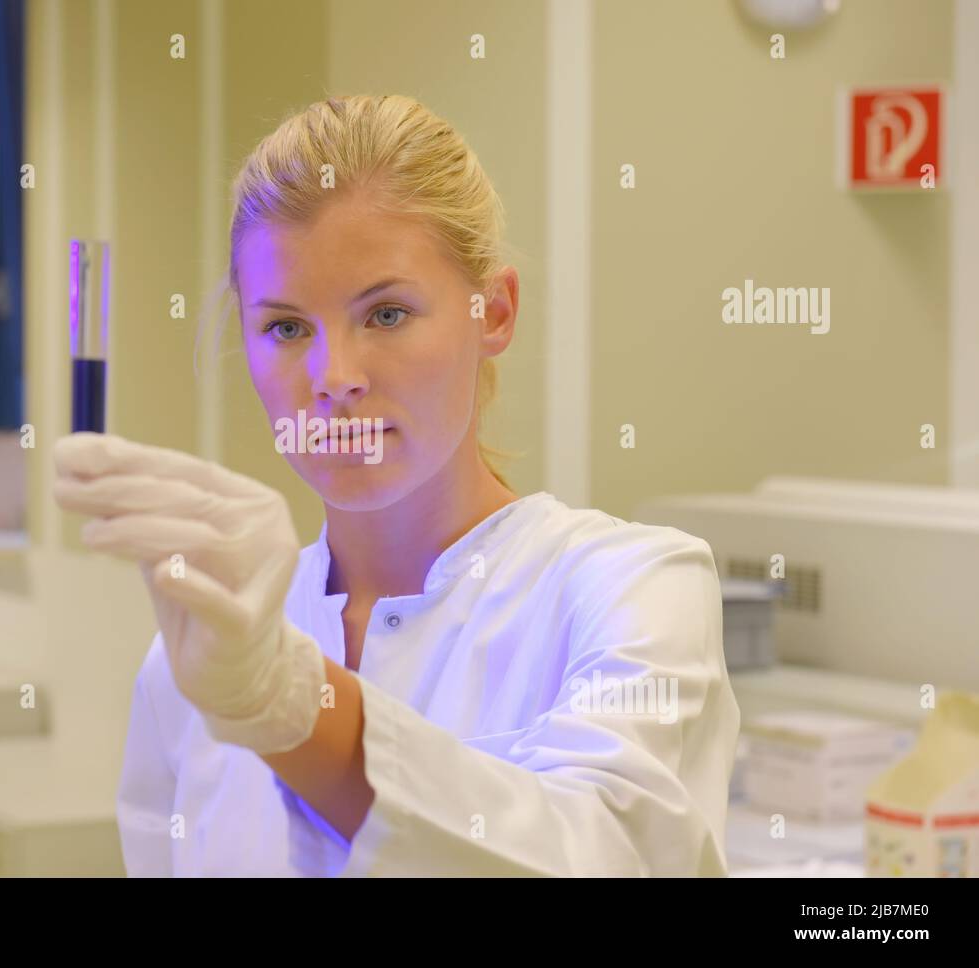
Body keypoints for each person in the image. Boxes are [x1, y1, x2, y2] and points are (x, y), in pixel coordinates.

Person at [53, 94, 740, 876]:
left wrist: (290, 706)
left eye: (385, 314)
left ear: (496, 311)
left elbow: (615, 856)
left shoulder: (632, 590)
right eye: (286, 328)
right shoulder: (210, 648)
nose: (334, 378)